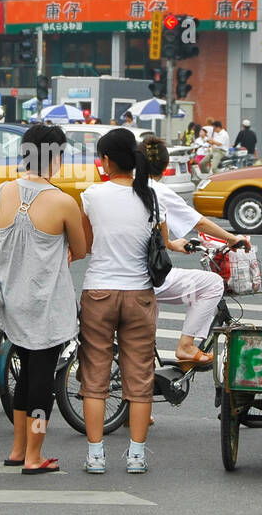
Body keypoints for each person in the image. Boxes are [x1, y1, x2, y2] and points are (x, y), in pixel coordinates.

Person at [78, 127, 184, 474]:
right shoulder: (152, 194)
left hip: (99, 293)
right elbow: (164, 241)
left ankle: (96, 455)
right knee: (139, 377)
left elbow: (85, 244)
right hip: (140, 295)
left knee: (95, 376)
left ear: (107, 160)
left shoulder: (93, 194)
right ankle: (136, 455)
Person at [0, 124, 88, 473]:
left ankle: (19, 449)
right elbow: (80, 248)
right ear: (56, 155)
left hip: (11, 300)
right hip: (45, 304)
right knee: (41, 382)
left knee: (27, 374)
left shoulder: (3, 191)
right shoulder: (63, 201)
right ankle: (34, 456)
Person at [139, 136, 248, 367]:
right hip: (145, 278)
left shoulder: (118, 190)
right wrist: (231, 238)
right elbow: (198, 222)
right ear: (165, 167)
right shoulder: (157, 190)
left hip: (115, 277)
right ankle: (187, 346)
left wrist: (170, 244)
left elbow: (155, 231)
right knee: (212, 283)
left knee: (144, 343)